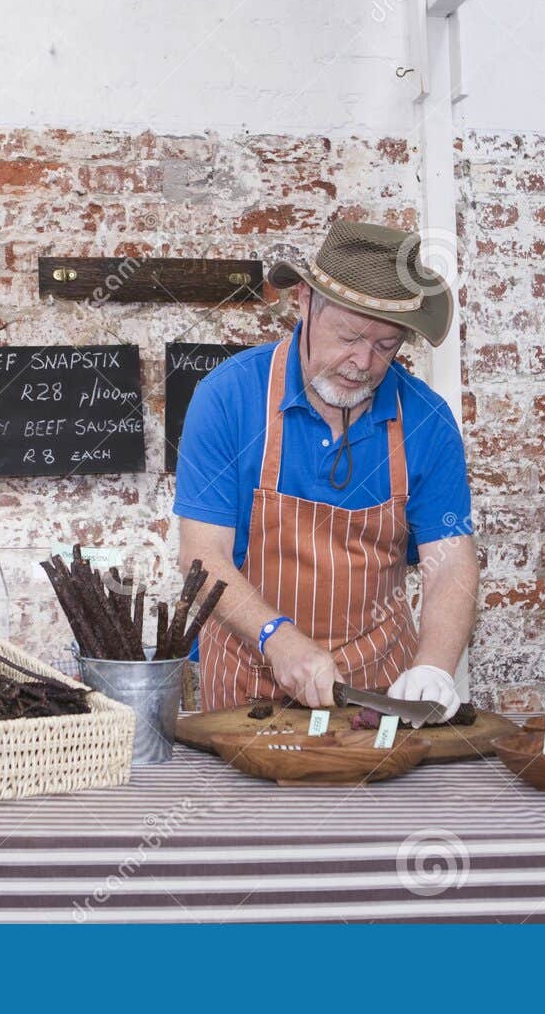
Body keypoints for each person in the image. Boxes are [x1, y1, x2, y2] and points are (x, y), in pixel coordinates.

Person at [173, 219, 478, 723]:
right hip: (250, 689)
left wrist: (435, 669)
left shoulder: (427, 419)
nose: (363, 362)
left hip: (377, 696)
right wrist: (277, 637)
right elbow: (202, 557)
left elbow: (450, 561)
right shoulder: (229, 397)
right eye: (350, 336)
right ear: (303, 302)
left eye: (386, 345)